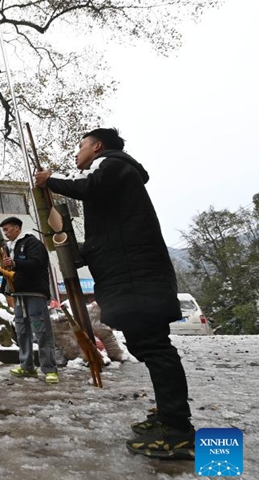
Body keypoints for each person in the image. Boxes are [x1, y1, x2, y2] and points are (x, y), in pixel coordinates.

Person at [35, 127, 194, 459]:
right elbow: (107, 239)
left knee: (155, 346)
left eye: (81, 146)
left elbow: (88, 188)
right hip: (127, 276)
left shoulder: (113, 165)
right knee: (143, 344)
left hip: (138, 277)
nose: (77, 153)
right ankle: (168, 415)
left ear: (98, 146)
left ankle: (179, 430)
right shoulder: (113, 183)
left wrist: (50, 181)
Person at [0, 217, 59, 384]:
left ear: (17, 228)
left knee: (41, 330)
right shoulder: (9, 248)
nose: (6, 233)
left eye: (8, 229)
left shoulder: (32, 243)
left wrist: (15, 263)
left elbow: (36, 263)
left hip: (34, 293)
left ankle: (50, 369)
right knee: (22, 331)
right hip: (17, 294)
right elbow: (8, 272)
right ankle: (27, 365)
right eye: (4, 231)